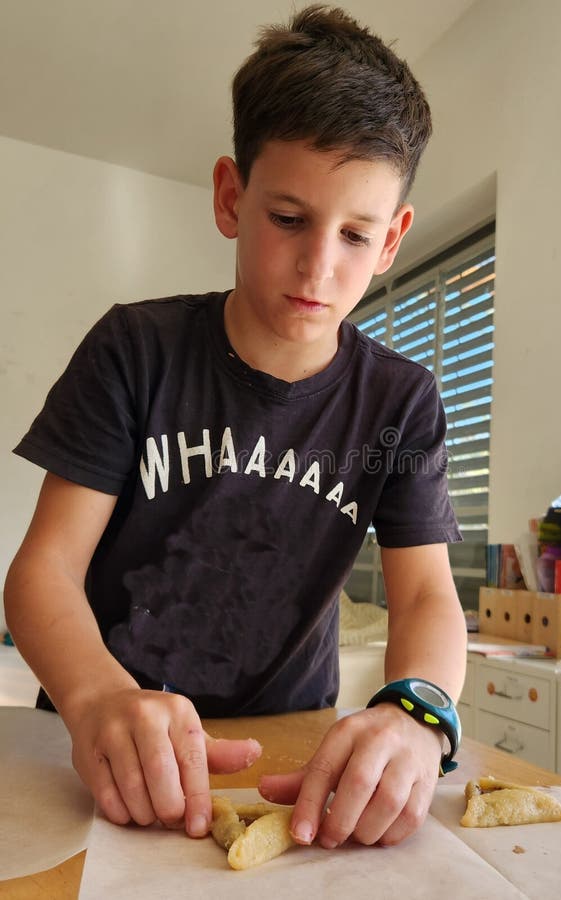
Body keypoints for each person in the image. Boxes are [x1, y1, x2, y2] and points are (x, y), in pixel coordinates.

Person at [4, 4, 467, 850]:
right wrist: (97, 697)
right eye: (288, 219)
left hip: (291, 746)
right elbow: (42, 572)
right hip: (103, 744)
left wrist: (417, 712)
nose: (318, 266)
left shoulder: (400, 401)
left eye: (356, 234)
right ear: (230, 196)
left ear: (394, 239)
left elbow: (429, 594)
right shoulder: (134, 350)